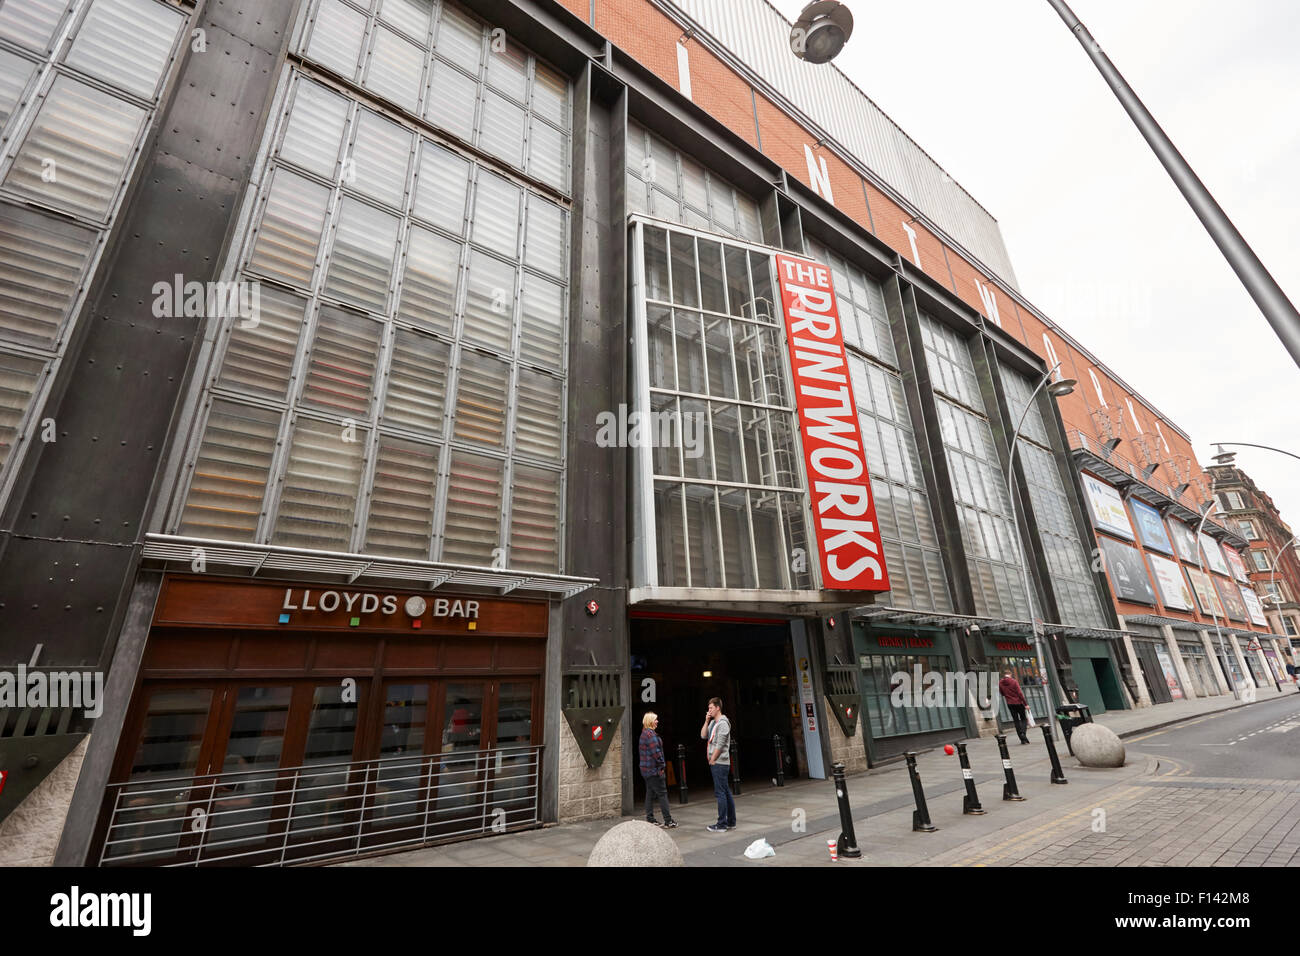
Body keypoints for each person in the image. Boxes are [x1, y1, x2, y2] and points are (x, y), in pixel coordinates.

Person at [700, 697, 735, 832]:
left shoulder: (723, 723)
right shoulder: (713, 723)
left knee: (720, 793)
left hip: (720, 762)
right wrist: (706, 720)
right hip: (717, 762)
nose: (709, 710)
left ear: (718, 708)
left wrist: (713, 759)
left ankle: (722, 824)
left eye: (711, 708)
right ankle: (731, 821)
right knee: (725, 791)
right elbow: (703, 735)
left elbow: (720, 744)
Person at [638, 712, 676, 828]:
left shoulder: (645, 733)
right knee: (662, 794)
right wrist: (662, 766)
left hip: (646, 770)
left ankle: (650, 818)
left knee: (650, 793)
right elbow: (656, 753)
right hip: (654, 771)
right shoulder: (650, 735)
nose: (657, 721)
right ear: (650, 721)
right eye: (655, 719)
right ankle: (668, 821)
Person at [999, 670, 1030, 744]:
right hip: (1018, 702)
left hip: (1010, 703)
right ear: (1010, 674)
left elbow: (1002, 693)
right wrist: (1026, 704)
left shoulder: (1000, 682)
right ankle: (1023, 733)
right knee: (1023, 719)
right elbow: (1020, 693)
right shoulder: (1014, 681)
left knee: (1016, 721)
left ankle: (1022, 740)